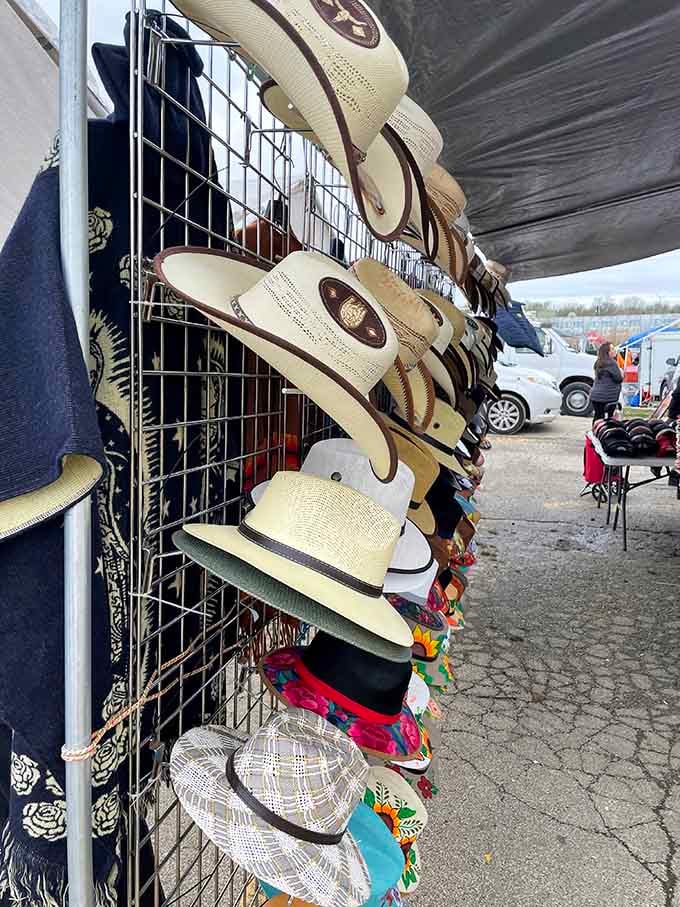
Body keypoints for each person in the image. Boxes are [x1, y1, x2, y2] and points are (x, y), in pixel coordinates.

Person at [590, 342, 622, 421]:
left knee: (598, 416)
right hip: (608, 397)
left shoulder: (598, 362)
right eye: (612, 349)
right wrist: (621, 374)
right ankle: (607, 432)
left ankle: (596, 431)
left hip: (595, 396)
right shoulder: (612, 363)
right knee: (610, 418)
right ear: (607, 352)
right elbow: (618, 379)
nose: (615, 351)